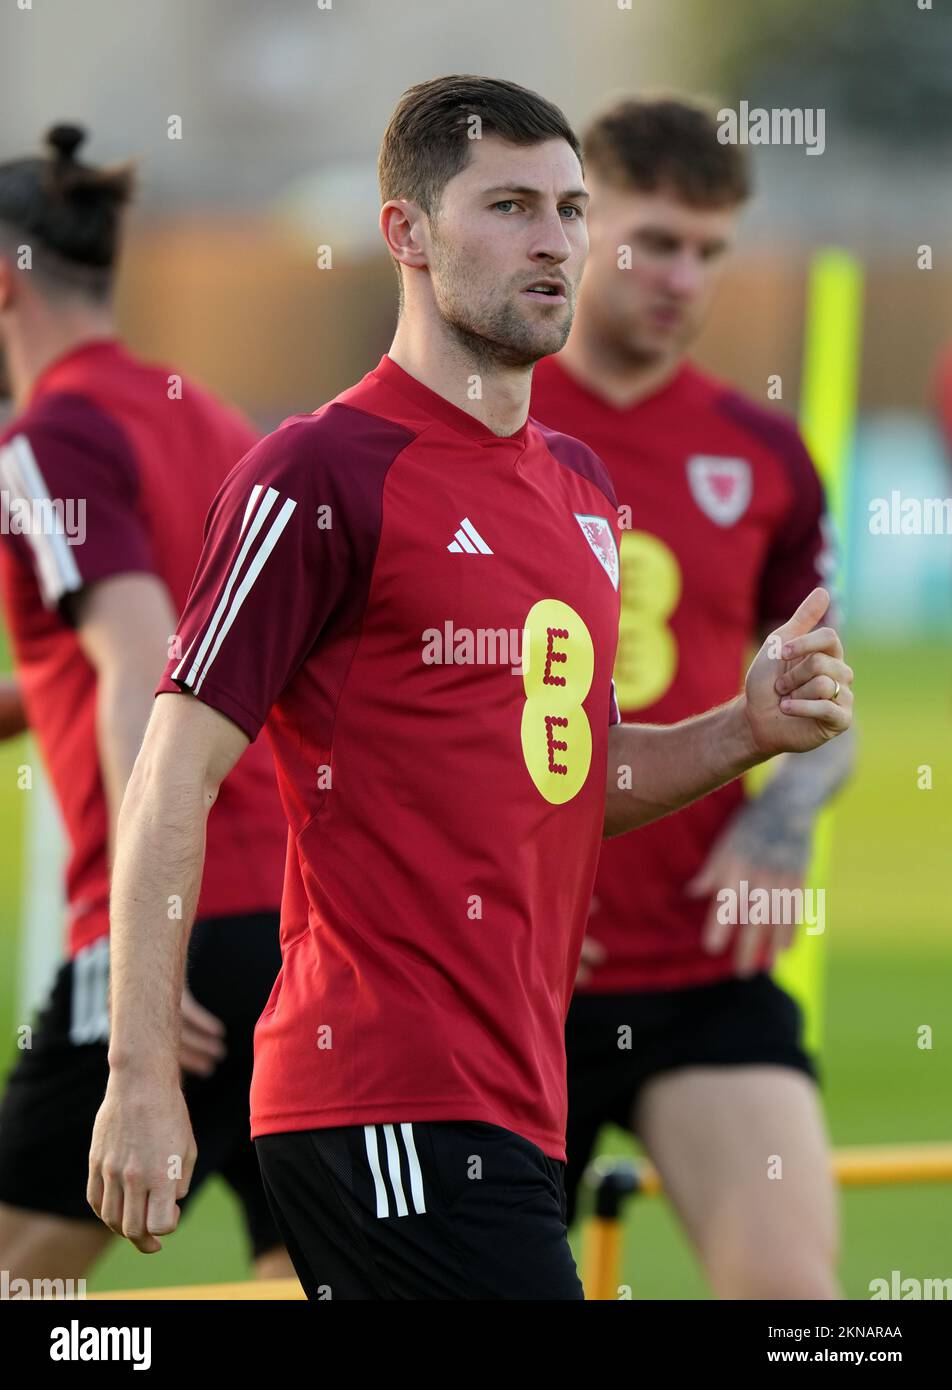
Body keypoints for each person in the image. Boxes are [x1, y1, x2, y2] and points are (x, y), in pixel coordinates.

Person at [87, 76, 853, 1301]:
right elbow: (173, 768)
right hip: (380, 1091)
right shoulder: (322, 471)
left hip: (511, 1094)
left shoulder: (582, 491)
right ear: (408, 234)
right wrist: (139, 1076)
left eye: (568, 208)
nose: (553, 239)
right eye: (508, 206)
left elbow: (575, 775)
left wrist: (743, 729)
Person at [530, 95, 853, 1299]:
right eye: (653, 241)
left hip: (699, 976)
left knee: (800, 1311)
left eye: (709, 251)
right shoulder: (475, 423)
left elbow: (824, 704)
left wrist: (781, 822)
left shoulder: (761, 450)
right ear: (579, 222)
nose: (682, 277)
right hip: (502, 981)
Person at [0, 125, 293, 1282]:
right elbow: (170, 649)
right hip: (290, 925)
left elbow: (136, 665)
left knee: (20, 1270)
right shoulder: (212, 423)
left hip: (175, 922)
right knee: (301, 1268)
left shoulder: (47, 440)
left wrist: (144, 966)